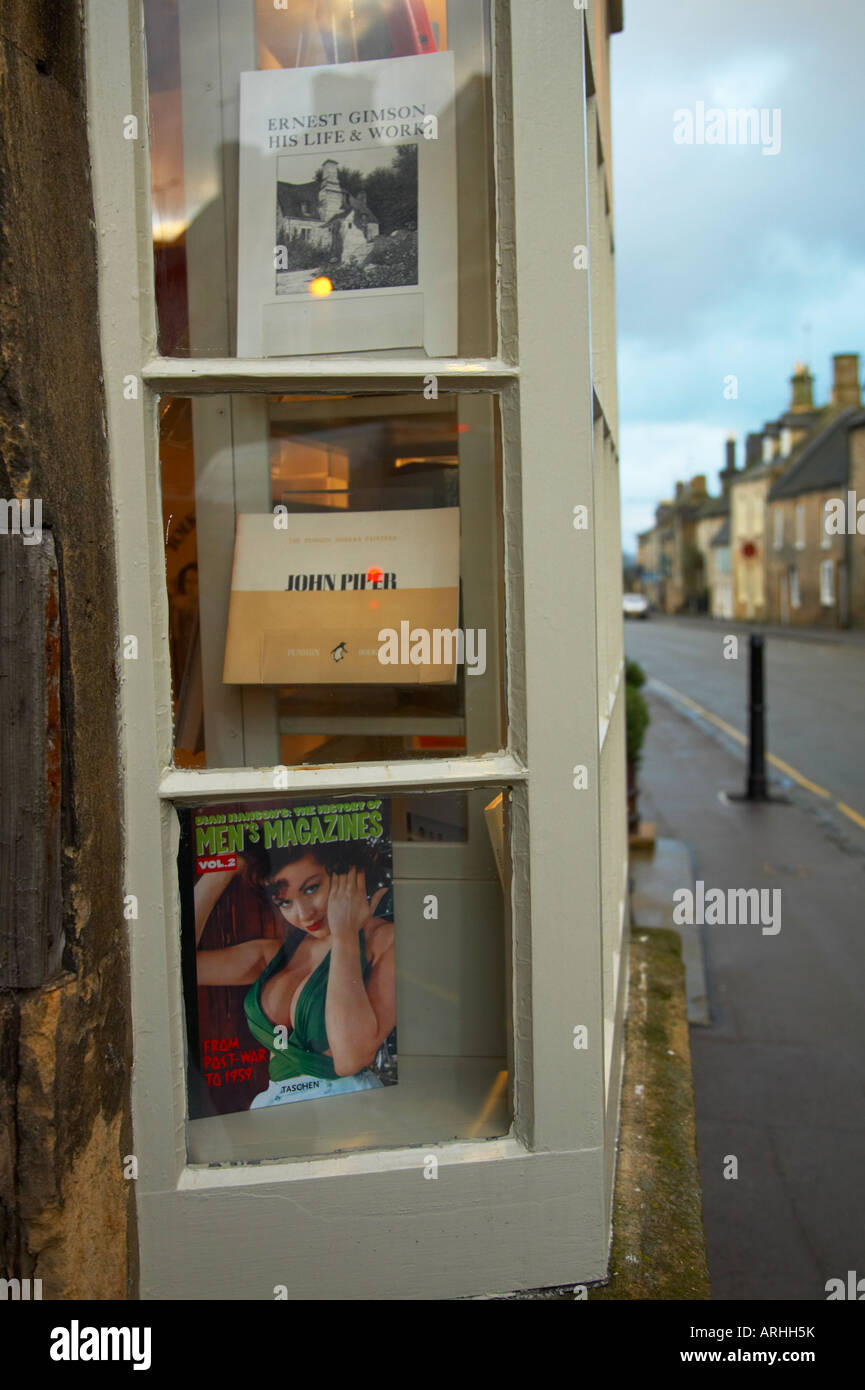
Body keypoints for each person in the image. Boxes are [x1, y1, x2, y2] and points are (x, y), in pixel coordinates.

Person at [194, 843, 395, 1109]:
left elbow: (349, 1060)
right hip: (274, 1110)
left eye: (311, 888)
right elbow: (173, 964)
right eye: (285, 903)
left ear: (348, 873)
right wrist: (224, 868)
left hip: (348, 1108)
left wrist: (345, 933)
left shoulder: (384, 940)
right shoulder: (274, 956)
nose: (303, 914)